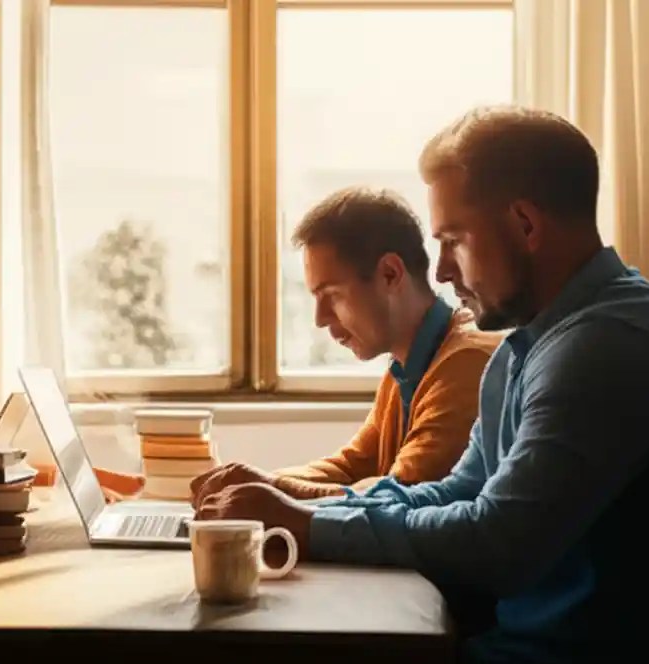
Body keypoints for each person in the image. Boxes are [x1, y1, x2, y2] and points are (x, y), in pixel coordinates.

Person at [192, 105, 649, 664]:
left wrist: (307, 523)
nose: (441, 269)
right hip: (511, 657)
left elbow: (496, 540)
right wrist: (295, 509)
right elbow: (453, 491)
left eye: (453, 240)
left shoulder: (609, 344)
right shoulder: (526, 347)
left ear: (524, 224)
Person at [205, 188, 497, 501]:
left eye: (332, 295)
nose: (319, 318)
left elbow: (398, 497)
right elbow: (350, 467)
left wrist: (270, 489)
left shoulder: (465, 364)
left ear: (389, 274)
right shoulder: (406, 366)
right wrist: (244, 483)